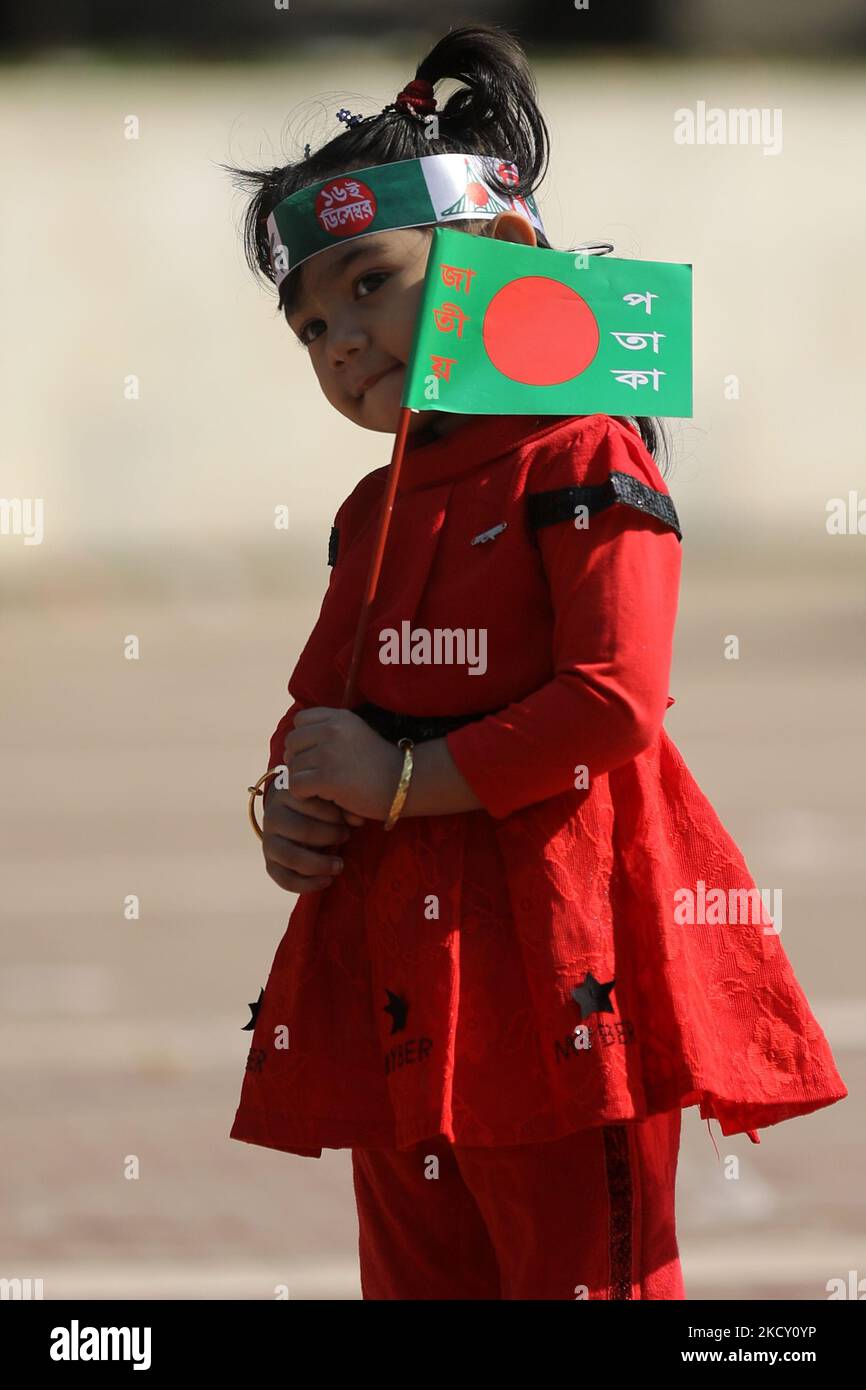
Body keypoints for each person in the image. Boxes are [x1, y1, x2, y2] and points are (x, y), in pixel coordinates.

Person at [225, 24, 848, 1300]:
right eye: (308, 326)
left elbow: (608, 703)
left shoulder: (582, 458)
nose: (339, 337)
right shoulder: (374, 503)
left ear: (493, 255)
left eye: (369, 281)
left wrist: (400, 780)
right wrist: (290, 804)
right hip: (401, 972)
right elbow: (320, 707)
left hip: (565, 968)